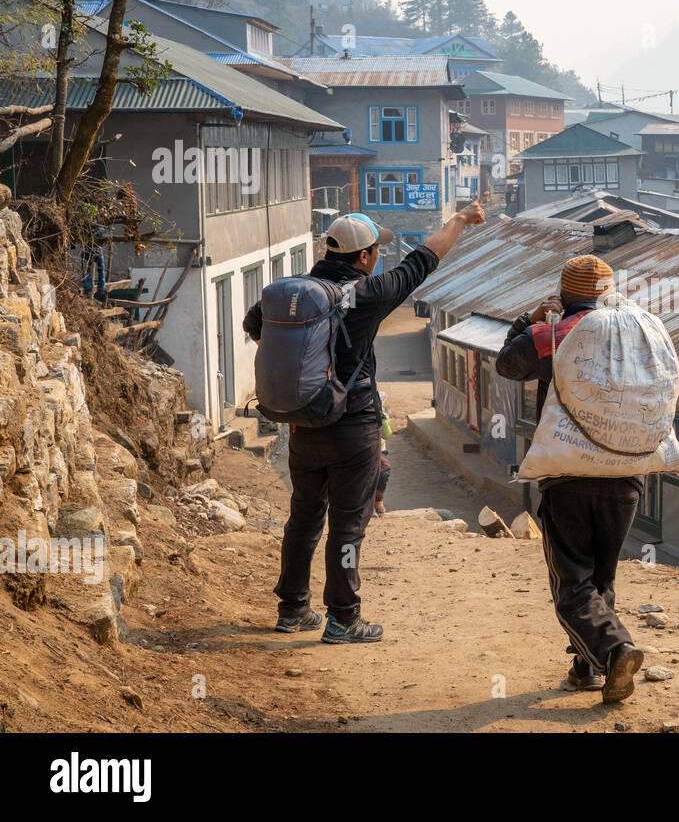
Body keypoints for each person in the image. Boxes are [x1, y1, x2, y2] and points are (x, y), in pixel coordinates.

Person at [244, 206, 484, 643]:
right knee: (349, 524)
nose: (377, 258)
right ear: (364, 256)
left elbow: (253, 325)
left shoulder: (298, 293)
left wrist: (304, 367)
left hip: (304, 422)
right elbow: (425, 258)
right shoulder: (368, 294)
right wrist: (461, 220)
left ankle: (293, 609)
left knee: (304, 515)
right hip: (353, 424)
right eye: (375, 251)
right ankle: (343, 618)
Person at [495, 255, 646, 703]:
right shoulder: (636, 333)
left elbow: (507, 364)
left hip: (569, 475)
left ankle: (615, 650)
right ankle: (587, 668)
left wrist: (530, 319)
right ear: (608, 294)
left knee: (572, 586)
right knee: (600, 578)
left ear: (562, 295)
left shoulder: (555, 334)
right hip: (626, 475)